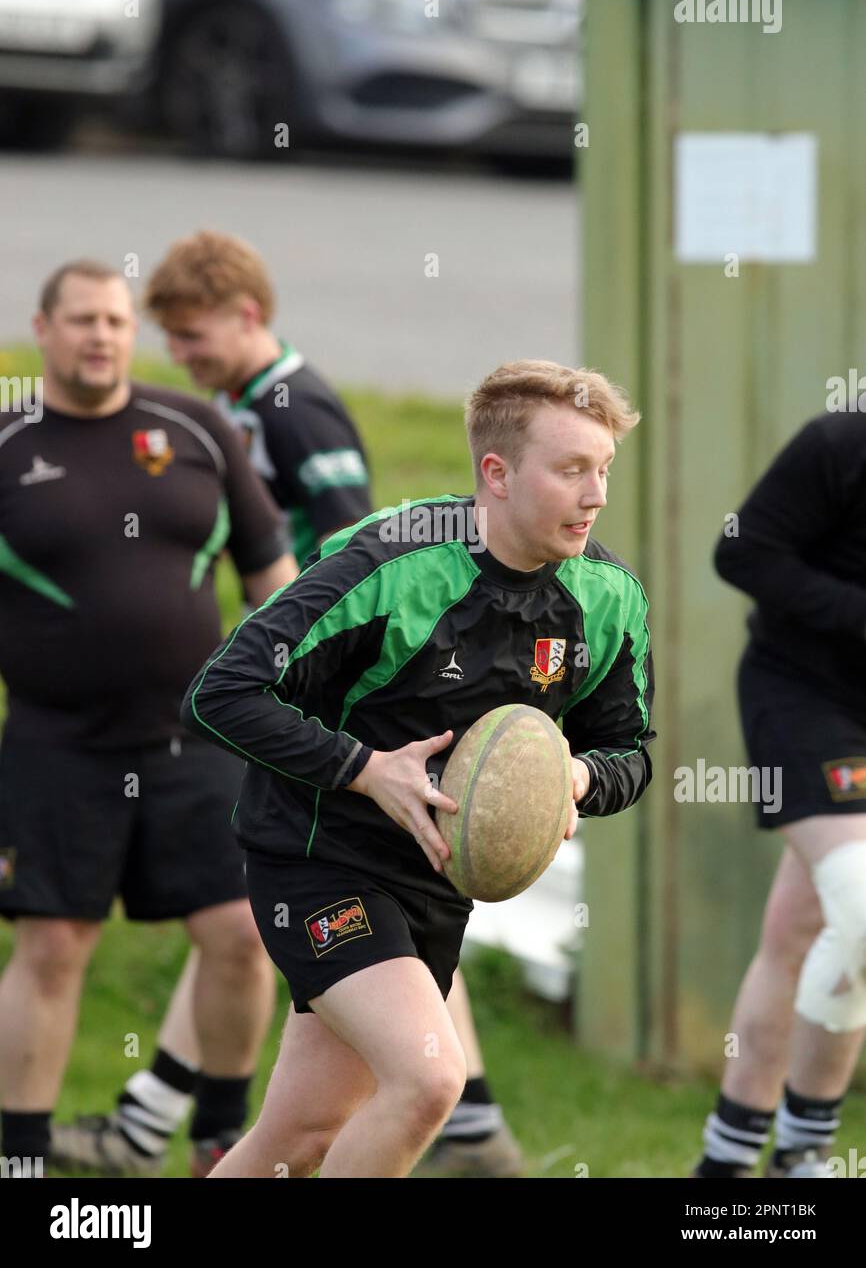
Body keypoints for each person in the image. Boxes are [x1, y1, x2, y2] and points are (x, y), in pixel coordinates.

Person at [62, 228, 525, 1178]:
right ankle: (452, 1115)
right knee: (290, 910)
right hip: (288, 703)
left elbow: (357, 556)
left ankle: (463, 1114)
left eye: (192, 336)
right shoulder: (242, 405)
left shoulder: (295, 410)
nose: (178, 356)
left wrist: (303, 686)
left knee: (376, 898)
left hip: (327, 711)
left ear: (248, 316)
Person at [181, 359, 656, 1178]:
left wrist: (573, 781)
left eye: (605, 469)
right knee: (431, 1079)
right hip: (318, 857)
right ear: (496, 474)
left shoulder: (607, 599)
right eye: (573, 469)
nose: (597, 494)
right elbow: (221, 693)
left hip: (436, 883)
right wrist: (365, 768)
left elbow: (631, 751)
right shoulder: (392, 565)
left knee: (299, 1136)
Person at [0, 261, 296, 1178]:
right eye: (82, 319)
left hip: (197, 739)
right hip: (55, 742)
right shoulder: (8, 441)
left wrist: (293, 708)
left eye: (118, 320)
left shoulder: (196, 430)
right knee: (52, 947)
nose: (102, 335)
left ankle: (218, 1141)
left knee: (244, 937)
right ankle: (20, 1163)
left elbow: (272, 579)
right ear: (43, 329)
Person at [693, 411, 866, 1179]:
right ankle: (803, 1151)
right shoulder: (842, 442)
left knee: (802, 931)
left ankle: (729, 1160)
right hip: (804, 697)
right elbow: (741, 550)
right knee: (861, 911)